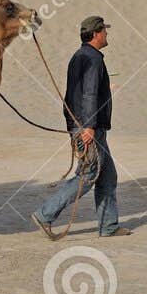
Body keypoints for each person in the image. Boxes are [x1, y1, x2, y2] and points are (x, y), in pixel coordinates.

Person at [31, 15, 131, 239]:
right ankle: (45, 214)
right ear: (96, 33)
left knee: (107, 177)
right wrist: (88, 126)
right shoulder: (92, 59)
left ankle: (108, 226)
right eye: (104, 30)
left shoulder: (80, 56)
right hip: (88, 128)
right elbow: (89, 94)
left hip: (87, 126)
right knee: (88, 175)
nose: (107, 34)